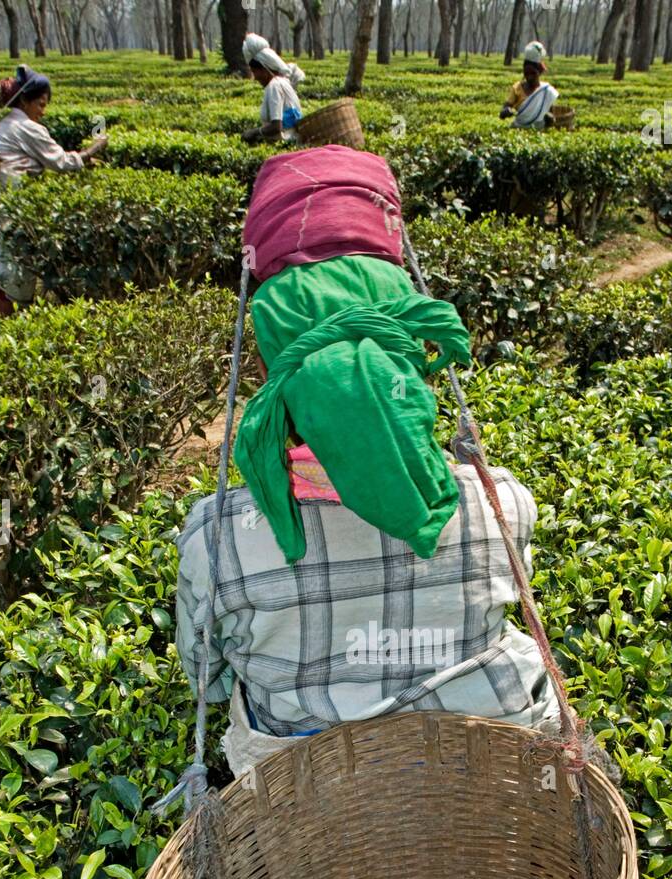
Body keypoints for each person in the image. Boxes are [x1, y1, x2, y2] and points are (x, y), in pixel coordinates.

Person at [176, 148, 560, 775]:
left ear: (272, 363)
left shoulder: (220, 539)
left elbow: (206, 676)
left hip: (318, 801)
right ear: (408, 349)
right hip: (487, 782)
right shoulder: (502, 506)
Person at [0, 65, 107, 314]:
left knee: (9, 268)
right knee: (16, 269)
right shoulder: (25, 127)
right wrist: (94, 148)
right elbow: (61, 162)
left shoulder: (7, 124)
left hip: (4, 204)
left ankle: (12, 324)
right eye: (40, 104)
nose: (43, 111)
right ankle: (15, 328)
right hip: (12, 206)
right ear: (25, 101)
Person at [242, 40, 304, 145]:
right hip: (294, 140)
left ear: (264, 69)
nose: (255, 77)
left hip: (285, 145)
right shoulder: (283, 82)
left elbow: (276, 127)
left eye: (254, 72)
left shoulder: (274, 86)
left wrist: (254, 132)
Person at [499, 41, 559, 130]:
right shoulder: (517, 88)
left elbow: (550, 116)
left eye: (533, 73)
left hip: (538, 133)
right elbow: (504, 110)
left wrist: (550, 119)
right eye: (526, 73)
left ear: (539, 72)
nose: (529, 77)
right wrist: (506, 111)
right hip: (517, 130)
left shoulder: (546, 91)